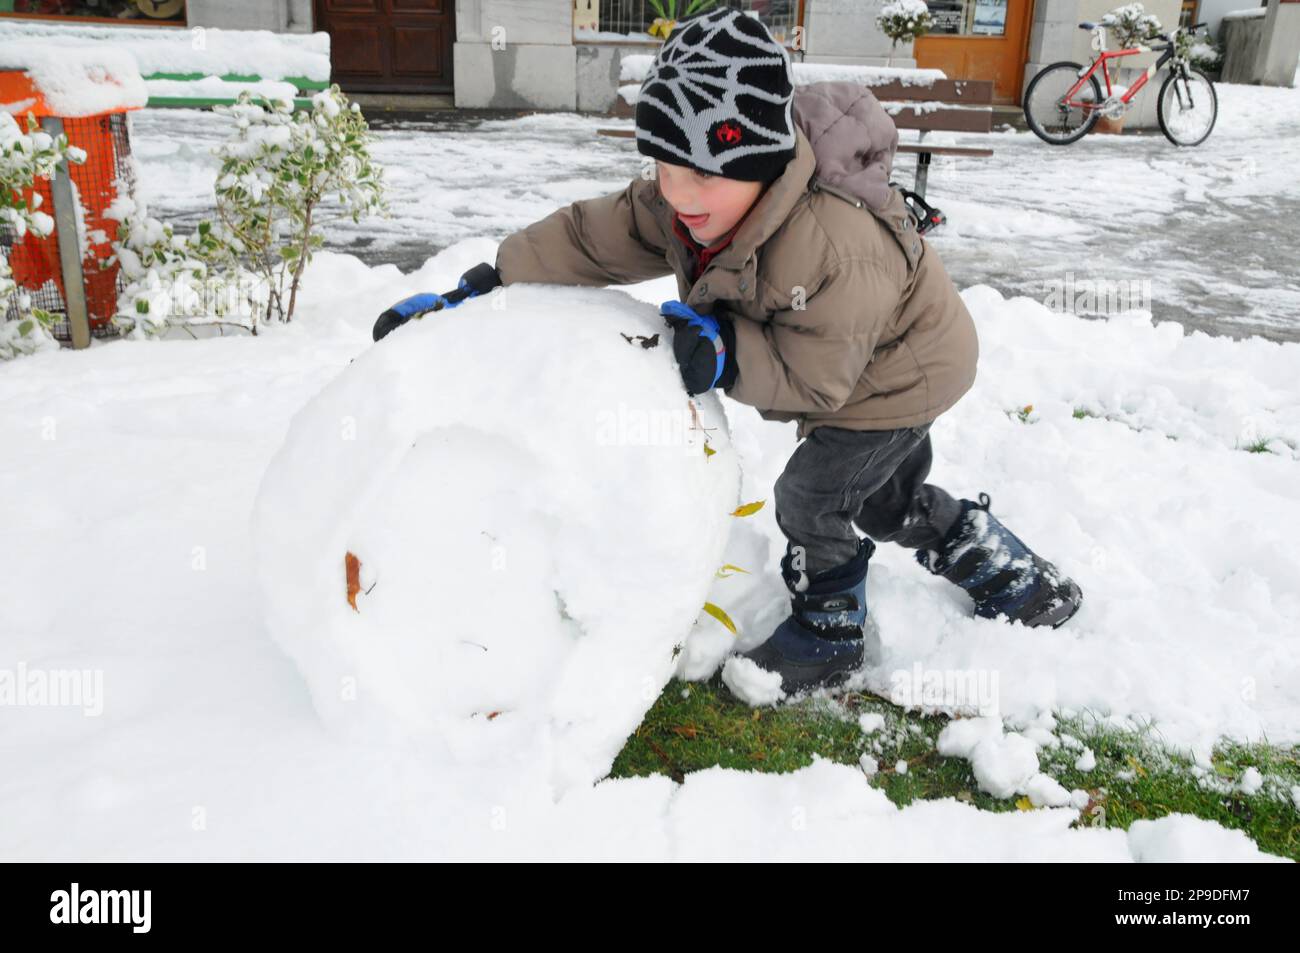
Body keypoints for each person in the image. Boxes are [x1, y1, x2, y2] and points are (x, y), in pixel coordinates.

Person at [379, 9, 1083, 695]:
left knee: (812, 497)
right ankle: (1004, 568)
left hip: (896, 374)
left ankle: (832, 629)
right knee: (880, 501)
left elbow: (814, 380)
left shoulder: (831, 243)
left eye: (704, 174)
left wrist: (727, 354)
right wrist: (493, 276)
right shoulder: (690, 198)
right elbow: (597, 234)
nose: (679, 194)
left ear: (762, 159)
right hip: (855, 357)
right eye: (664, 166)